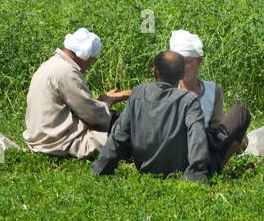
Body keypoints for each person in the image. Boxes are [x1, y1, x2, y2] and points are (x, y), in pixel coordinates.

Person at [91, 51, 213, 182]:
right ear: (183, 74)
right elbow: (197, 138)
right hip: (178, 169)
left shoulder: (139, 92)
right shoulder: (189, 99)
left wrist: (100, 169)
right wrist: (196, 176)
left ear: (155, 72)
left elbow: (119, 135)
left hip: (145, 168)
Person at [23, 28, 129, 158]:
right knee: (128, 137)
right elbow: (92, 115)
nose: (90, 65)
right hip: (57, 143)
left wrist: (99, 102)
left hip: (41, 138)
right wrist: (107, 102)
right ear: (86, 57)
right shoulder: (66, 72)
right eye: (92, 60)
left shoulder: (51, 64)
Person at [169, 29, 252, 168]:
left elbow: (218, 129)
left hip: (206, 146)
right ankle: (211, 168)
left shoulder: (213, 91)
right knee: (239, 120)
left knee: (240, 127)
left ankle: (215, 164)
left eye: (188, 61)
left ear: (198, 61)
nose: (183, 67)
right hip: (178, 149)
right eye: (179, 62)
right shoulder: (169, 89)